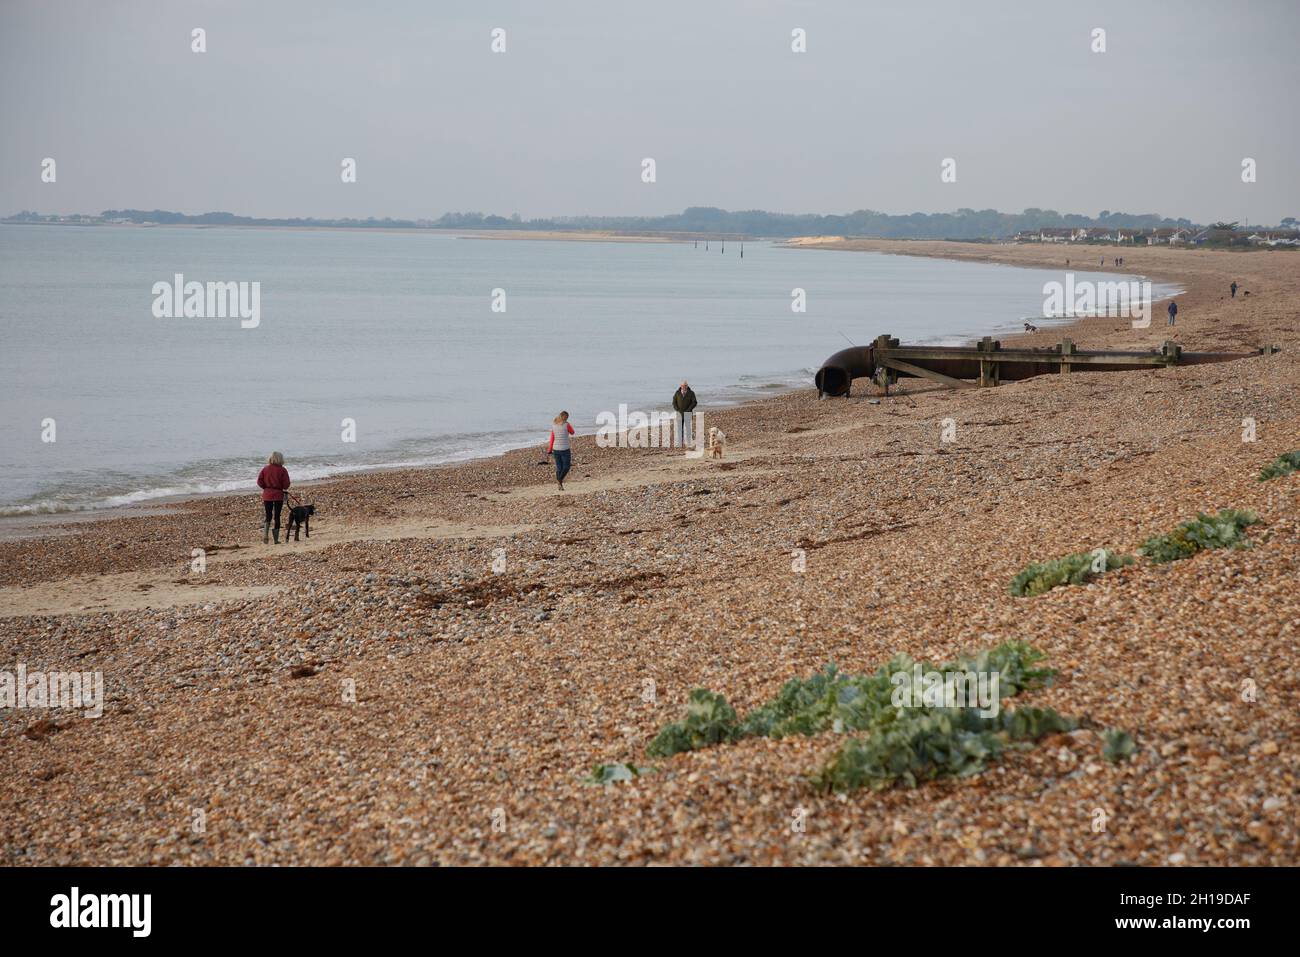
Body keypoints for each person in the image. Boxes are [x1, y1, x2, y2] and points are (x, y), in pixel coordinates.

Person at [256, 451, 291, 544]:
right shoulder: (282, 470)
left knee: (268, 515)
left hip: (267, 494)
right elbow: (286, 485)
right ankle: (276, 540)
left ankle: (265, 536)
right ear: (280, 459)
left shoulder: (265, 469)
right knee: (277, 516)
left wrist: (266, 487)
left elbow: (259, 481)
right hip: (278, 494)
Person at [547, 411, 574, 491]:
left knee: (559, 468)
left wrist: (550, 449)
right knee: (566, 467)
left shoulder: (554, 425)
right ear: (566, 417)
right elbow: (572, 432)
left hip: (556, 449)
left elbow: (552, 438)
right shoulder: (567, 425)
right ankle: (559, 481)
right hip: (565, 449)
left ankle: (559, 483)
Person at [672, 380, 697, 449]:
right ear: (681, 386)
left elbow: (694, 402)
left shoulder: (691, 393)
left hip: (688, 413)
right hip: (679, 414)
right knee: (679, 429)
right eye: (683, 385)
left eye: (685, 385)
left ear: (687, 386)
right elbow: (674, 403)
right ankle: (680, 443)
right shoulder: (677, 393)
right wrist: (677, 409)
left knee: (688, 429)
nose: (684, 387)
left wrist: (689, 410)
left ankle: (689, 443)